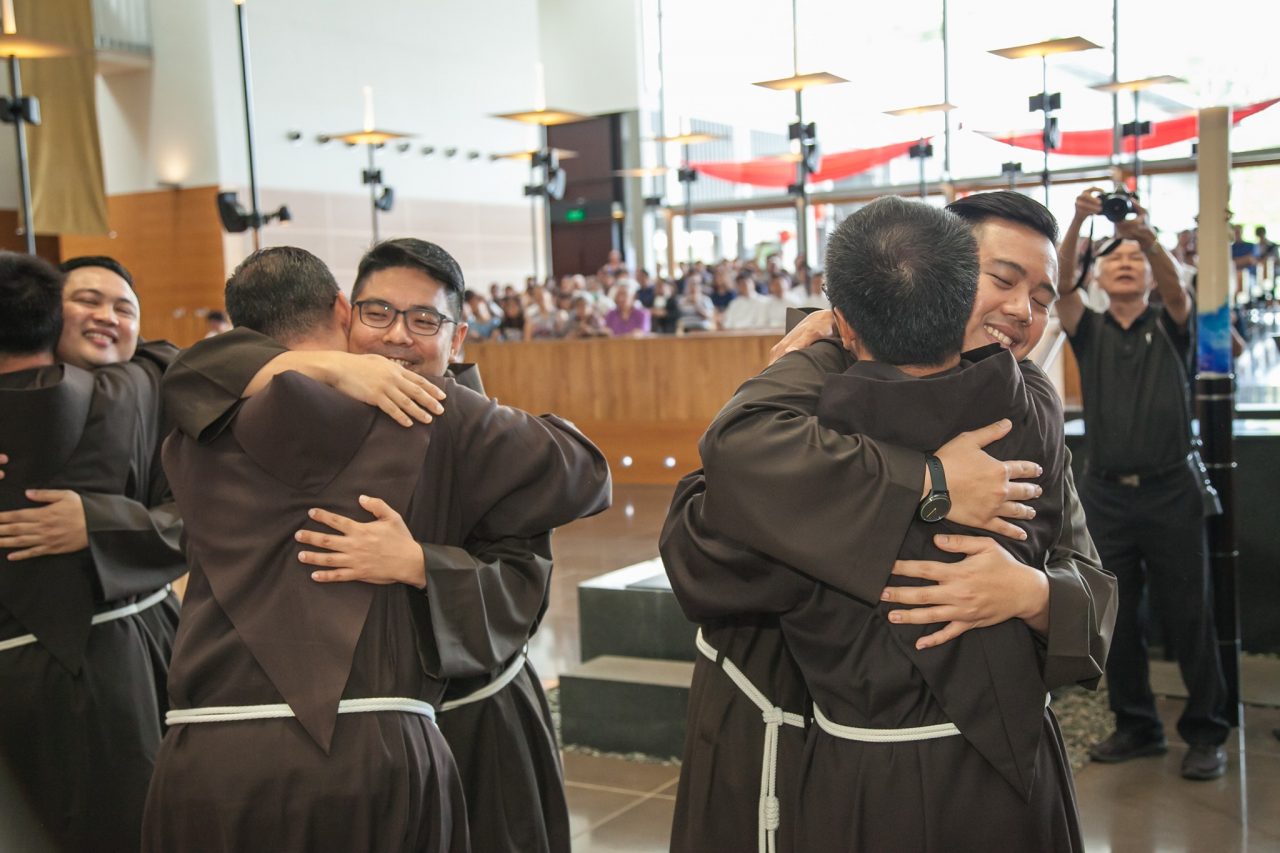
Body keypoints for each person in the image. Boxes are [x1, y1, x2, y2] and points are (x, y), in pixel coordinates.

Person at [662, 191, 1115, 853]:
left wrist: (1035, 593)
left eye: (1043, 298)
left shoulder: (1031, 406)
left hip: (1002, 763)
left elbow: (1088, 579)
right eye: (1002, 280)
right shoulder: (812, 404)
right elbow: (700, 544)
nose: (1023, 311)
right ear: (941, 272)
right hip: (835, 749)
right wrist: (927, 481)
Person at [159, 239, 613, 853]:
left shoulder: (467, 425)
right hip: (333, 744)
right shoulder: (266, 407)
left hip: (466, 718)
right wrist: (326, 369)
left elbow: (564, 506)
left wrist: (422, 564)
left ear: (457, 339)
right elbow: (189, 372)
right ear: (345, 316)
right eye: (379, 314)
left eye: (424, 320)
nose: (397, 335)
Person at [0, 253, 186, 853]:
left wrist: (98, 523)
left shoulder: (156, 391)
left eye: (124, 308)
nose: (107, 315)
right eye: (87, 300)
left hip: (134, 642)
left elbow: (204, 519)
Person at [1057, 188, 1230, 781]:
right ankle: (1136, 726)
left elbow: (1179, 291)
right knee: (1118, 617)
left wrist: (1145, 236)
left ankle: (1207, 732)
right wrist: (1078, 219)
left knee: (1190, 615)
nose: (1126, 264)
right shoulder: (1088, 328)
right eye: (1117, 259)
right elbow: (1062, 286)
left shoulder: (1172, 321)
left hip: (1171, 490)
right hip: (1106, 494)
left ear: (1151, 274)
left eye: (1136, 259)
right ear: (1100, 276)